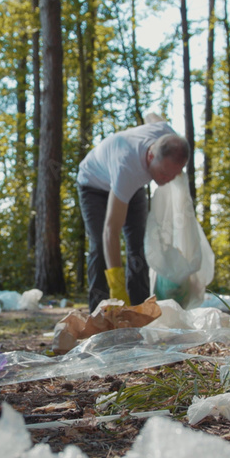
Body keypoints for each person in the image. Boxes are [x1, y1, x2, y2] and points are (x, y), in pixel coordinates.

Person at [77, 115, 190, 312]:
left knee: (139, 246)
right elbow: (110, 232)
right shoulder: (127, 168)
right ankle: (101, 312)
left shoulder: (168, 135)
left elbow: (153, 117)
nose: (169, 180)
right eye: (164, 173)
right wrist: (117, 287)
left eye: (175, 174)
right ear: (151, 156)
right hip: (93, 185)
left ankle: (139, 311)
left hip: (132, 185)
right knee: (99, 244)